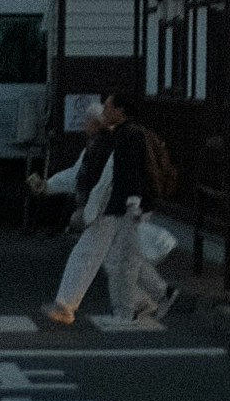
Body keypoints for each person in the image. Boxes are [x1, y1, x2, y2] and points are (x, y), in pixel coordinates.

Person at [43, 90, 179, 333]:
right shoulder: (115, 138)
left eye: (107, 108)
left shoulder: (122, 138)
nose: (101, 114)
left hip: (120, 208)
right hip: (121, 207)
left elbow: (127, 175)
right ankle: (154, 295)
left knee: (115, 259)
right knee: (121, 258)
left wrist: (132, 206)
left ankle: (122, 311)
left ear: (119, 112)